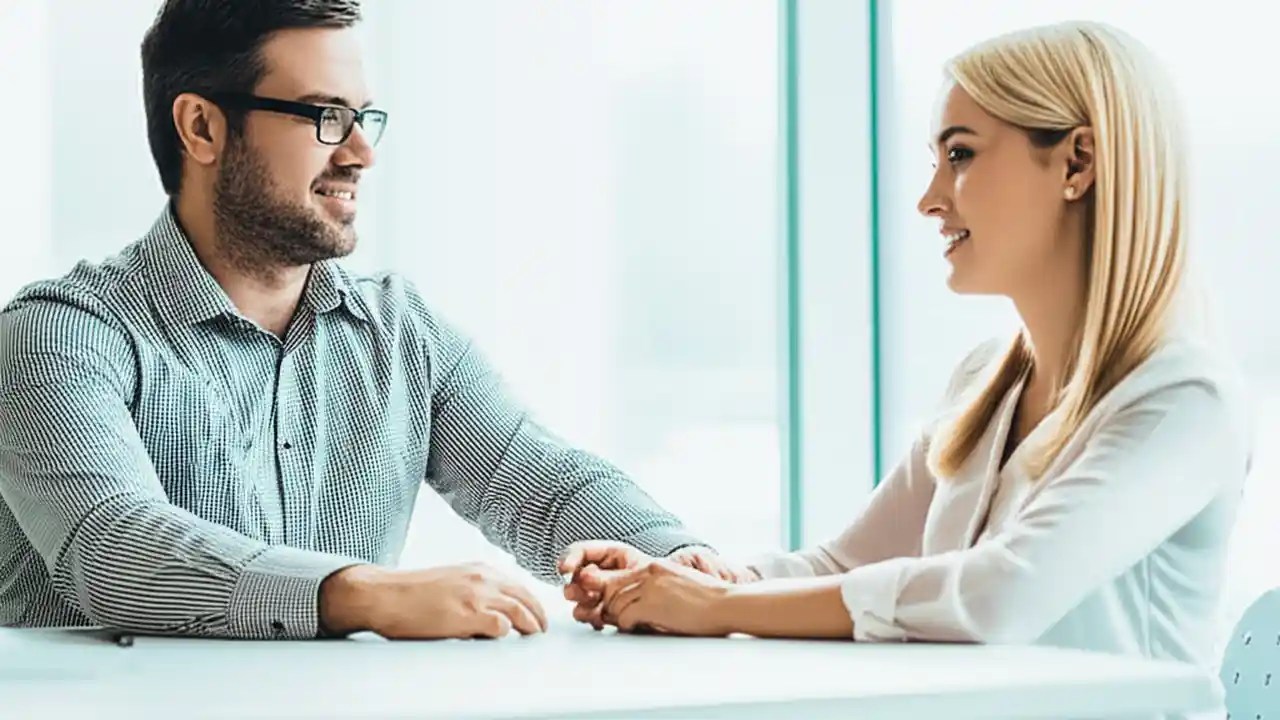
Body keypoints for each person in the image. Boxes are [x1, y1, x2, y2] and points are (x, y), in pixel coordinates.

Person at [0, 0, 743, 641]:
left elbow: (542, 482)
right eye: (325, 117)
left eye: (364, 119)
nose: (361, 153)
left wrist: (677, 560)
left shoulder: (397, 327)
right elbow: (114, 549)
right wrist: (362, 594)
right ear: (201, 128)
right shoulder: (58, 336)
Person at [571, 20, 1251, 679]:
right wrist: (695, 581)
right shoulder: (987, 380)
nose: (929, 200)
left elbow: (997, 595)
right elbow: (845, 567)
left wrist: (719, 608)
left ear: (1077, 162)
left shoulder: (1184, 399)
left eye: (960, 155)